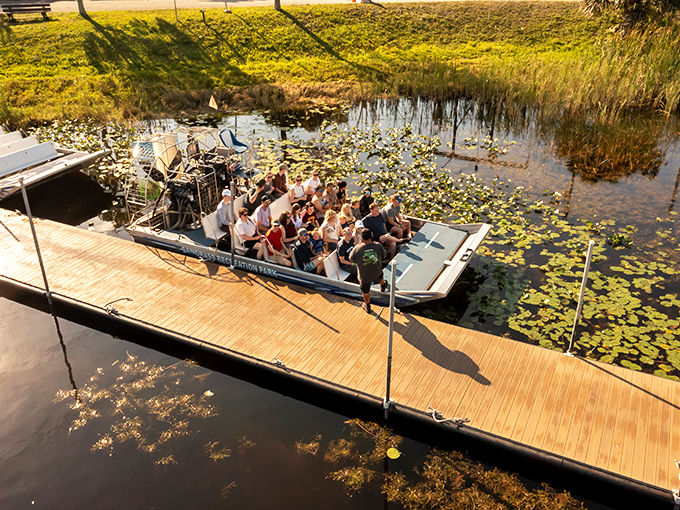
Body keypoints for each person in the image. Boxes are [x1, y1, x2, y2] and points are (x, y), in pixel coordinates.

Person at [349, 229, 388, 314]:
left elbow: (351, 259)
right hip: (377, 271)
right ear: (371, 237)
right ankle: (383, 285)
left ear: (362, 238)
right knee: (380, 276)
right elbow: (384, 255)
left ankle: (368, 306)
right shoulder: (378, 246)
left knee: (365, 291)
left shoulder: (357, 248)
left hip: (364, 275)